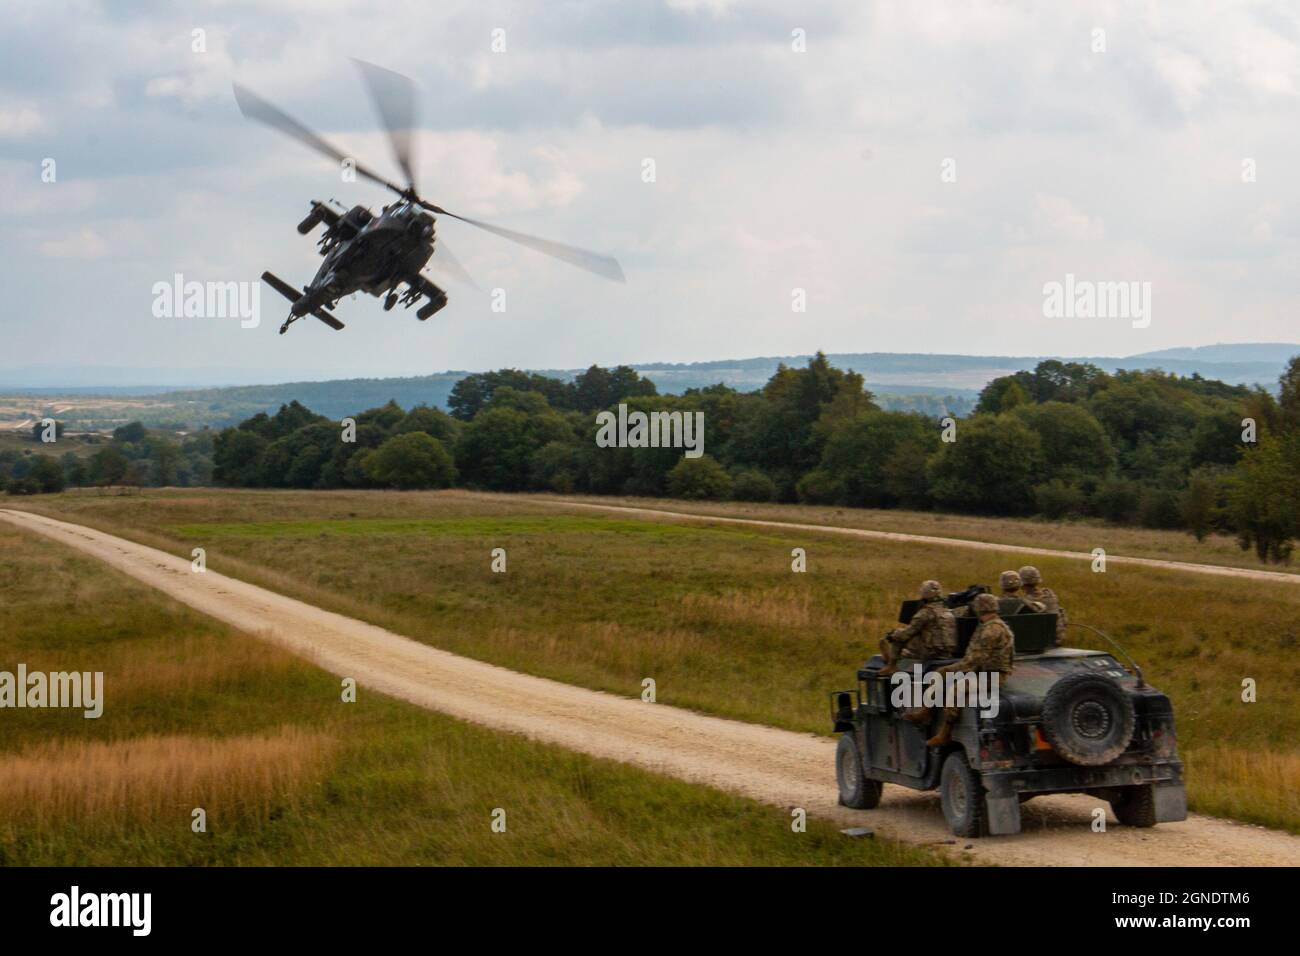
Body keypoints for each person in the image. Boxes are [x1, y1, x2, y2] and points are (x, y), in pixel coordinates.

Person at [926, 592, 1015, 747]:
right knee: (943, 675)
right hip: (987, 672)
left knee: (956, 689)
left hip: (991, 676)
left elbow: (975, 659)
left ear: (979, 609)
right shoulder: (993, 626)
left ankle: (946, 731)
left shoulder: (991, 630)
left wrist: (950, 669)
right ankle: (927, 711)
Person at [879, 580, 958, 675]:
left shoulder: (924, 613)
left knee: (899, 635)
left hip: (929, 653)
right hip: (946, 654)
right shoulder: (948, 612)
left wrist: (892, 636)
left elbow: (907, 633)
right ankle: (897, 657)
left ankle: (892, 665)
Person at [1018, 565, 1066, 643]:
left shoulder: (1027, 602)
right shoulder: (1050, 595)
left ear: (1021, 584)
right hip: (1057, 638)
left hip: (1041, 642)